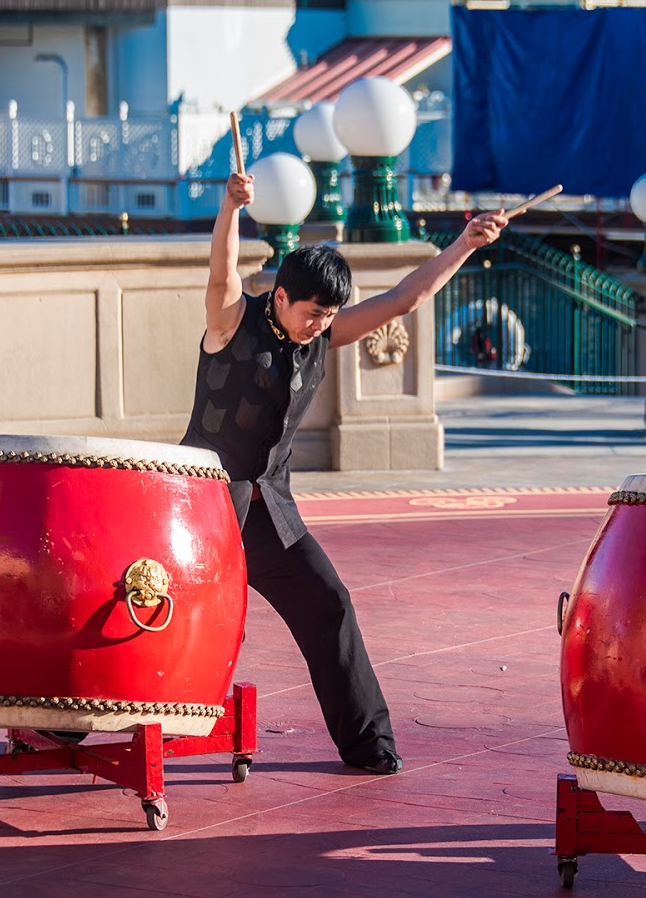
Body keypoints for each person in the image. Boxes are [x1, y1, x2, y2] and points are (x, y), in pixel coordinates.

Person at [181, 173, 507, 776]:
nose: (321, 325)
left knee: (330, 603)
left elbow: (405, 299)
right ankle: (62, 711)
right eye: (313, 313)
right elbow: (221, 273)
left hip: (270, 513)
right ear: (280, 296)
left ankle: (368, 746)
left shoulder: (321, 337)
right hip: (199, 510)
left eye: (329, 316)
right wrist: (229, 207)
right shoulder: (231, 322)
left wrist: (466, 243)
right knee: (152, 606)